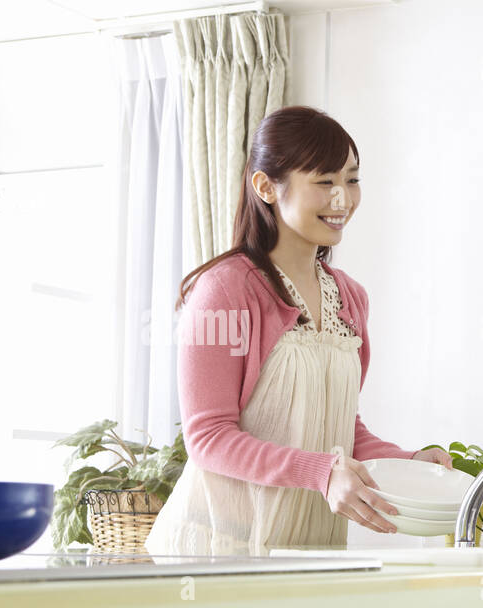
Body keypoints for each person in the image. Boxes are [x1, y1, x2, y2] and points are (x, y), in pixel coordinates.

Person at [145, 106, 451, 556]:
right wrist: (322, 473)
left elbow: (335, 425)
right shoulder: (225, 289)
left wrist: (407, 462)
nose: (342, 199)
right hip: (217, 551)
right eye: (324, 182)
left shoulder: (351, 298)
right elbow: (209, 438)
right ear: (266, 187)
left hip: (309, 552)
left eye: (351, 179)